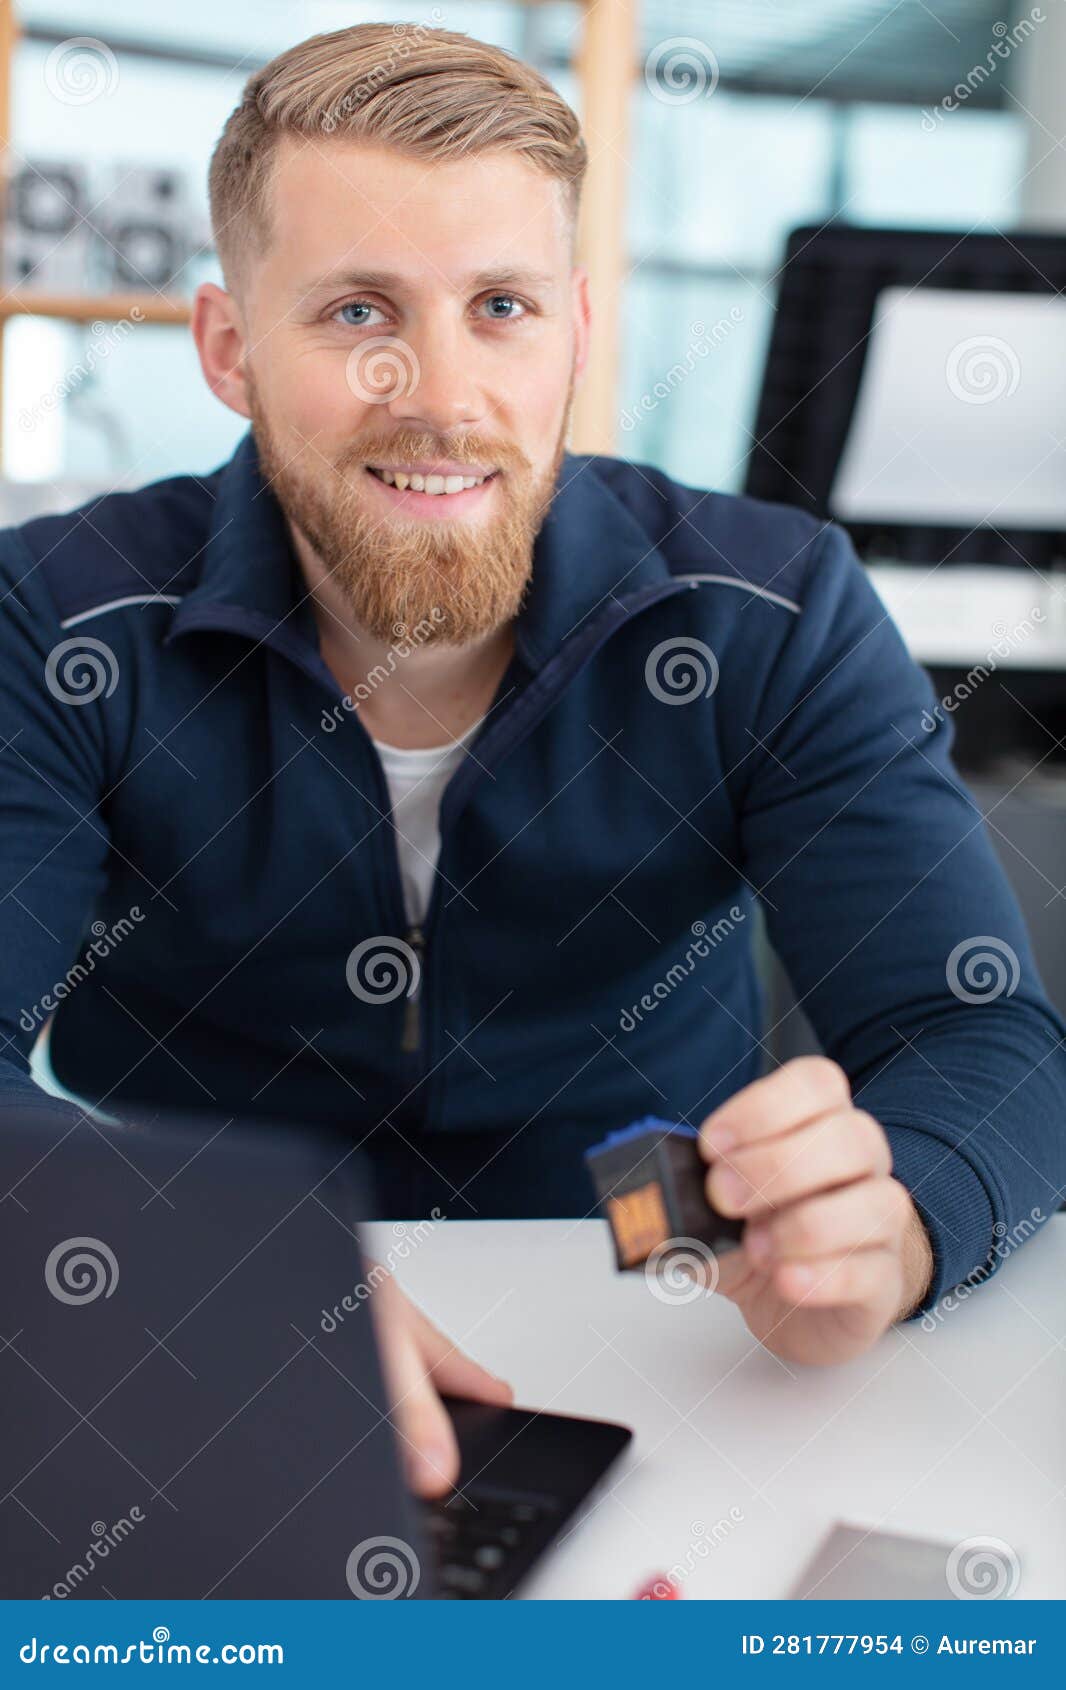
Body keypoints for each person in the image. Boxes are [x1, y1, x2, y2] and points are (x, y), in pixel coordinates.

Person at [2, 25, 1064, 1499]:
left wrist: (898, 1225)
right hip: (188, 1348)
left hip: (659, 1298)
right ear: (231, 351)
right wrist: (189, 1266)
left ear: (573, 327)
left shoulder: (770, 609)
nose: (438, 394)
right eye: (357, 309)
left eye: (497, 306)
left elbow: (981, 1038)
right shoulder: (56, 618)